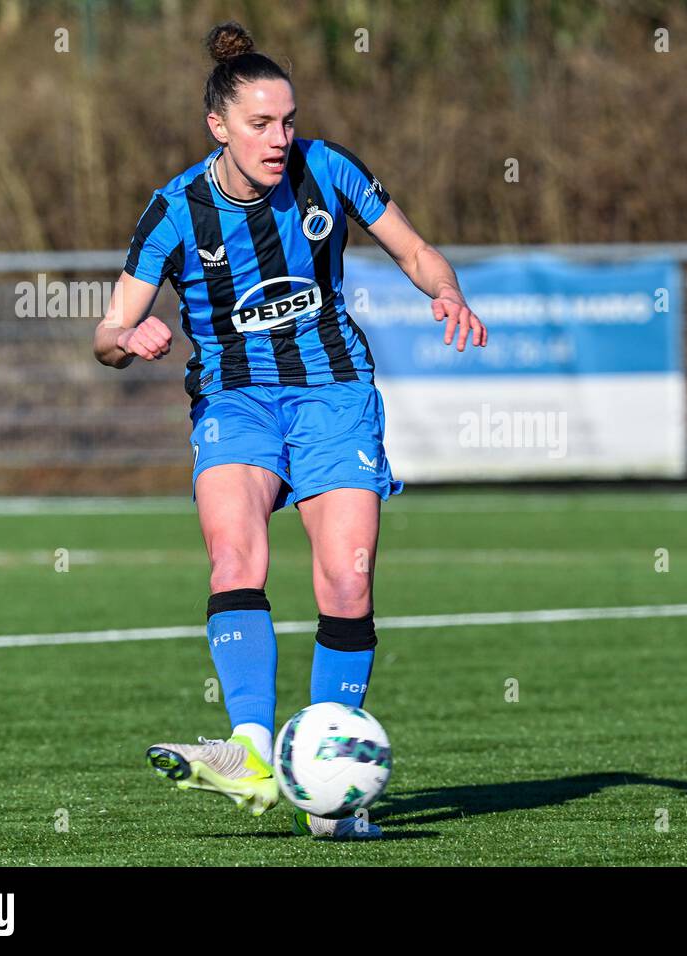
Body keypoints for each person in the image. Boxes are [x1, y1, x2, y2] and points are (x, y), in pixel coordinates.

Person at [92, 20, 487, 839]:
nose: (281, 139)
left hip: (334, 393)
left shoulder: (325, 169)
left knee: (346, 579)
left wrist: (444, 291)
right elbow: (106, 332)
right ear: (219, 127)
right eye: (261, 125)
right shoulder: (175, 210)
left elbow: (414, 250)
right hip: (234, 401)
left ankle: (330, 791)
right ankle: (248, 749)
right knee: (234, 554)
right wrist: (129, 340)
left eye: (289, 121)